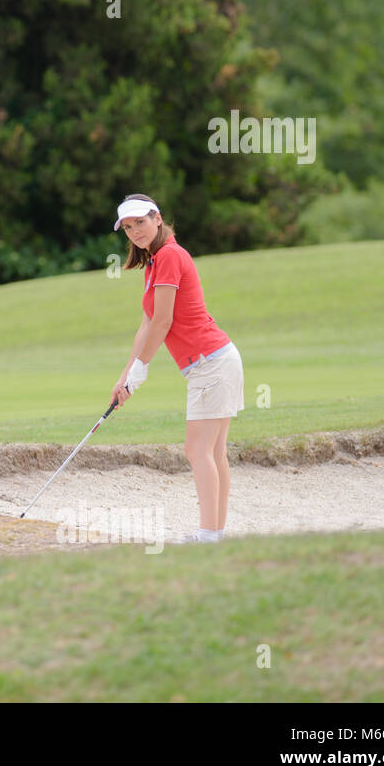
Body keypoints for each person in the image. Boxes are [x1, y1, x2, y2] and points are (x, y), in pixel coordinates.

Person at [108, 194, 244, 543]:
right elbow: (147, 324)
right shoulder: (153, 263)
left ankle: (209, 534)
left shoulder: (169, 255)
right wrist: (127, 374)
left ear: (157, 218)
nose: (134, 231)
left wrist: (143, 367)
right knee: (212, 451)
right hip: (213, 362)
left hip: (211, 362)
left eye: (140, 222)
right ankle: (215, 533)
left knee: (198, 450)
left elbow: (164, 321)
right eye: (127, 227)